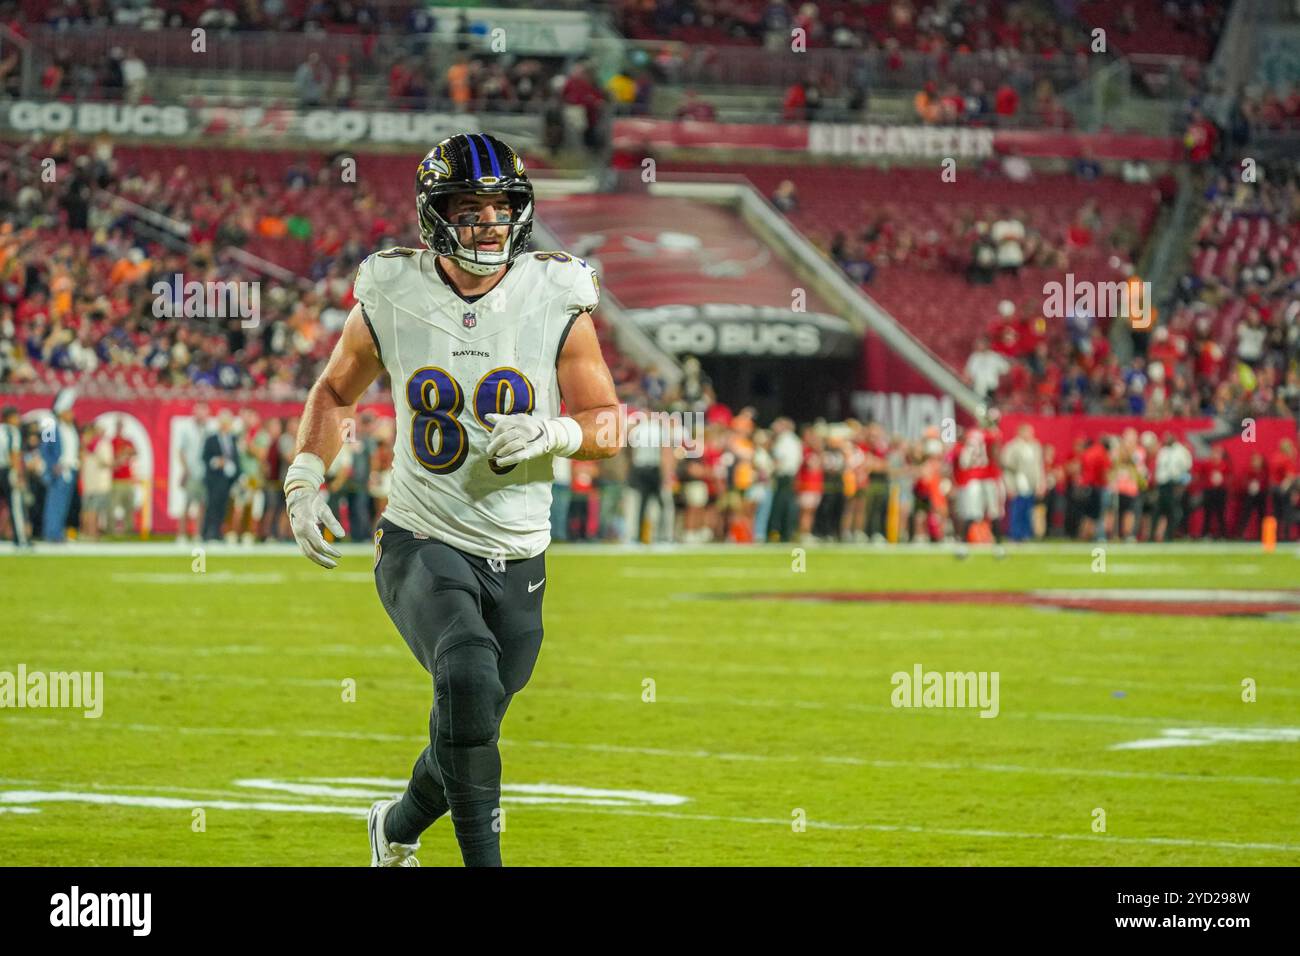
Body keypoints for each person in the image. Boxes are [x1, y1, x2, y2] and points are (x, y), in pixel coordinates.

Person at [283, 133, 620, 868]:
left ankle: (395, 828)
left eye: (501, 208)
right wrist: (305, 474)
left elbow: (608, 424)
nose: (490, 224)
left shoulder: (556, 291)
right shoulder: (393, 288)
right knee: (465, 673)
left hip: (521, 551)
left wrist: (553, 432)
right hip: (421, 537)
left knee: (469, 730)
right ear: (435, 215)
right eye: (471, 208)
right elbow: (337, 389)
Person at [202, 409, 241, 541]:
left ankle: (218, 532)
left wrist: (236, 473)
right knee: (212, 505)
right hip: (214, 478)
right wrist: (217, 461)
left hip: (227, 479)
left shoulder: (233, 439)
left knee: (223, 506)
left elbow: (236, 458)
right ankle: (208, 532)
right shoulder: (211, 439)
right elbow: (205, 457)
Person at [0, 405, 30, 546]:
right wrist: (18, 474)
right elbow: (14, 454)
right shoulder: (13, 431)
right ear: (9, 418)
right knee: (15, 505)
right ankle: (20, 539)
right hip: (7, 470)